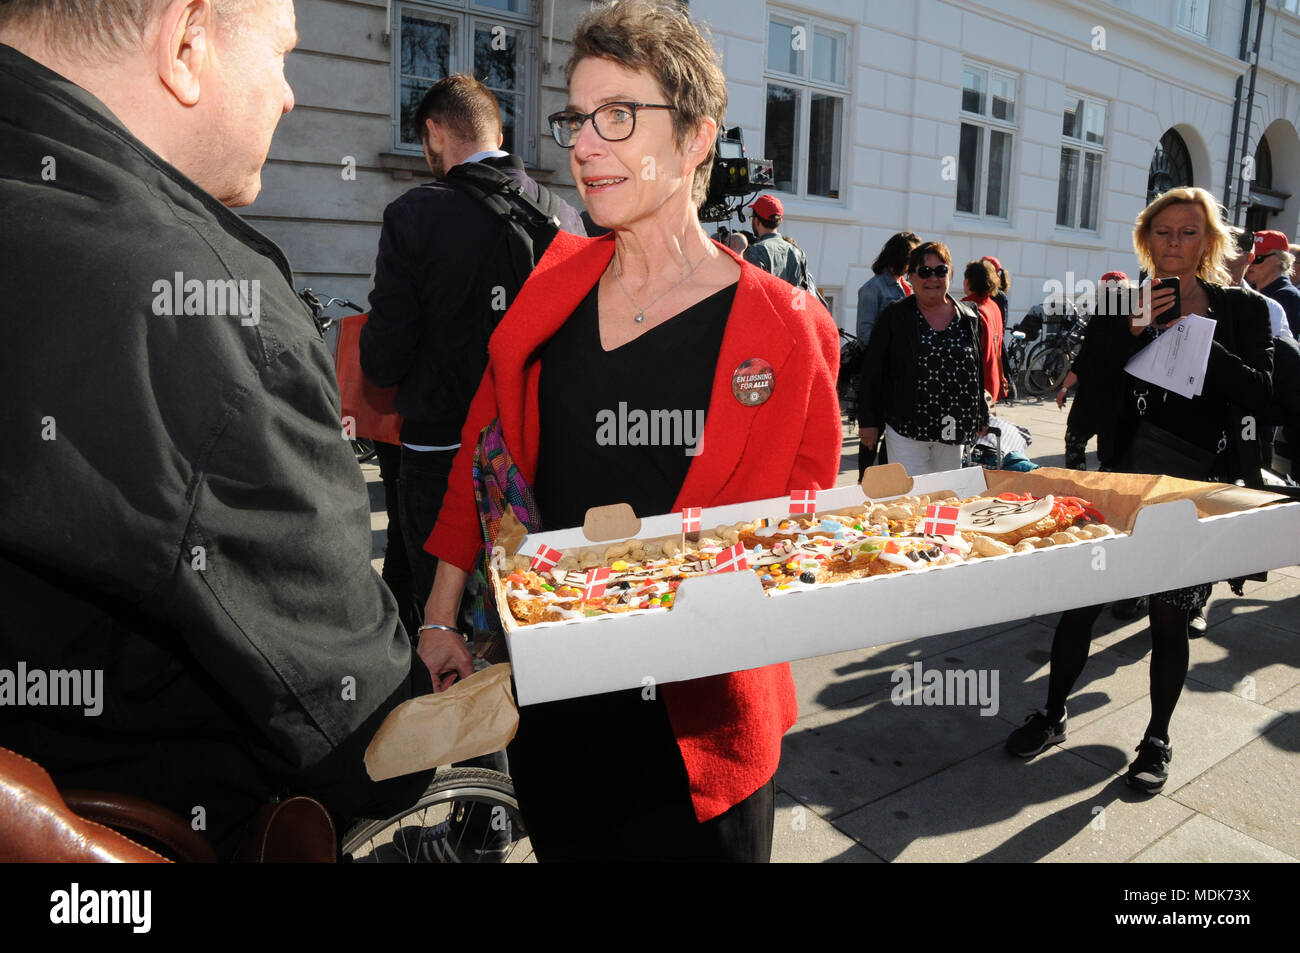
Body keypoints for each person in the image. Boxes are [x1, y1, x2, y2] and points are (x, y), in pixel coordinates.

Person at [0, 0, 433, 857]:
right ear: (187, 42)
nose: (288, 95)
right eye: (282, 53)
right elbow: (372, 746)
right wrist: (424, 688)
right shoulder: (211, 316)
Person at [415, 0, 840, 863]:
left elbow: (799, 541)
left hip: (699, 738)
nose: (581, 143)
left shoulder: (785, 325)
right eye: (577, 117)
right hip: (557, 711)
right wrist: (438, 613)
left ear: (693, 140)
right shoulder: (555, 280)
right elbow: (483, 446)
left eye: (619, 116)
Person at [1006, 188, 1273, 794]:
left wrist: (1195, 334)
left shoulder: (1243, 311)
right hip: (1121, 477)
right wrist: (1131, 330)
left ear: (1209, 242)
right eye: (1162, 233)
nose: (1174, 244)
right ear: (1145, 239)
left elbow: (1261, 392)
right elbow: (1094, 392)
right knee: (1081, 602)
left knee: (1169, 616)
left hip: (1191, 485)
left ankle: (1156, 738)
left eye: (1188, 233)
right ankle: (1051, 713)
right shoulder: (1116, 302)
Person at [360, 74, 585, 632]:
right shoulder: (565, 215)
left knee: (439, 619)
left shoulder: (415, 213)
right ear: (498, 131)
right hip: (539, 456)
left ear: (434, 132)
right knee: (530, 610)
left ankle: (450, 713)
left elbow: (382, 360)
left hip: (441, 452)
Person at [856, 242, 990, 477]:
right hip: (908, 427)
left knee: (947, 494)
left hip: (953, 427)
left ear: (950, 275)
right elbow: (872, 371)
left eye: (941, 271)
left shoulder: (969, 316)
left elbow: (976, 370)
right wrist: (868, 421)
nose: (933, 279)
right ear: (910, 277)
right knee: (911, 496)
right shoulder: (894, 316)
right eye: (924, 272)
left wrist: (981, 412)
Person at [1057, 271, 1129, 470]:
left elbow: (1086, 356)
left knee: (1075, 441)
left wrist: (1064, 388)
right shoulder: (1132, 315)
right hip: (1118, 396)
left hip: (1093, 394)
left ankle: (1077, 487)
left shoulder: (1104, 314)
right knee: (1109, 455)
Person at [856, 232, 919, 345]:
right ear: (900, 257)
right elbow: (864, 334)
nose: (915, 263)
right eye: (911, 258)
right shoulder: (872, 288)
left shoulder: (910, 286)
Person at [961, 258, 1005, 406]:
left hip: (975, 388)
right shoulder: (993, 306)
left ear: (968, 282)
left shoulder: (968, 309)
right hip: (992, 382)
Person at [743, 193, 808, 288]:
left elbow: (752, 291)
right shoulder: (798, 252)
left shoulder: (755, 252)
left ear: (756, 221)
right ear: (780, 221)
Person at [1246, 229, 1299, 338]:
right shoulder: (1247, 289)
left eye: (1257, 258)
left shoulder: (1289, 297)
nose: (1250, 262)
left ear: (1280, 259)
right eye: (1248, 257)